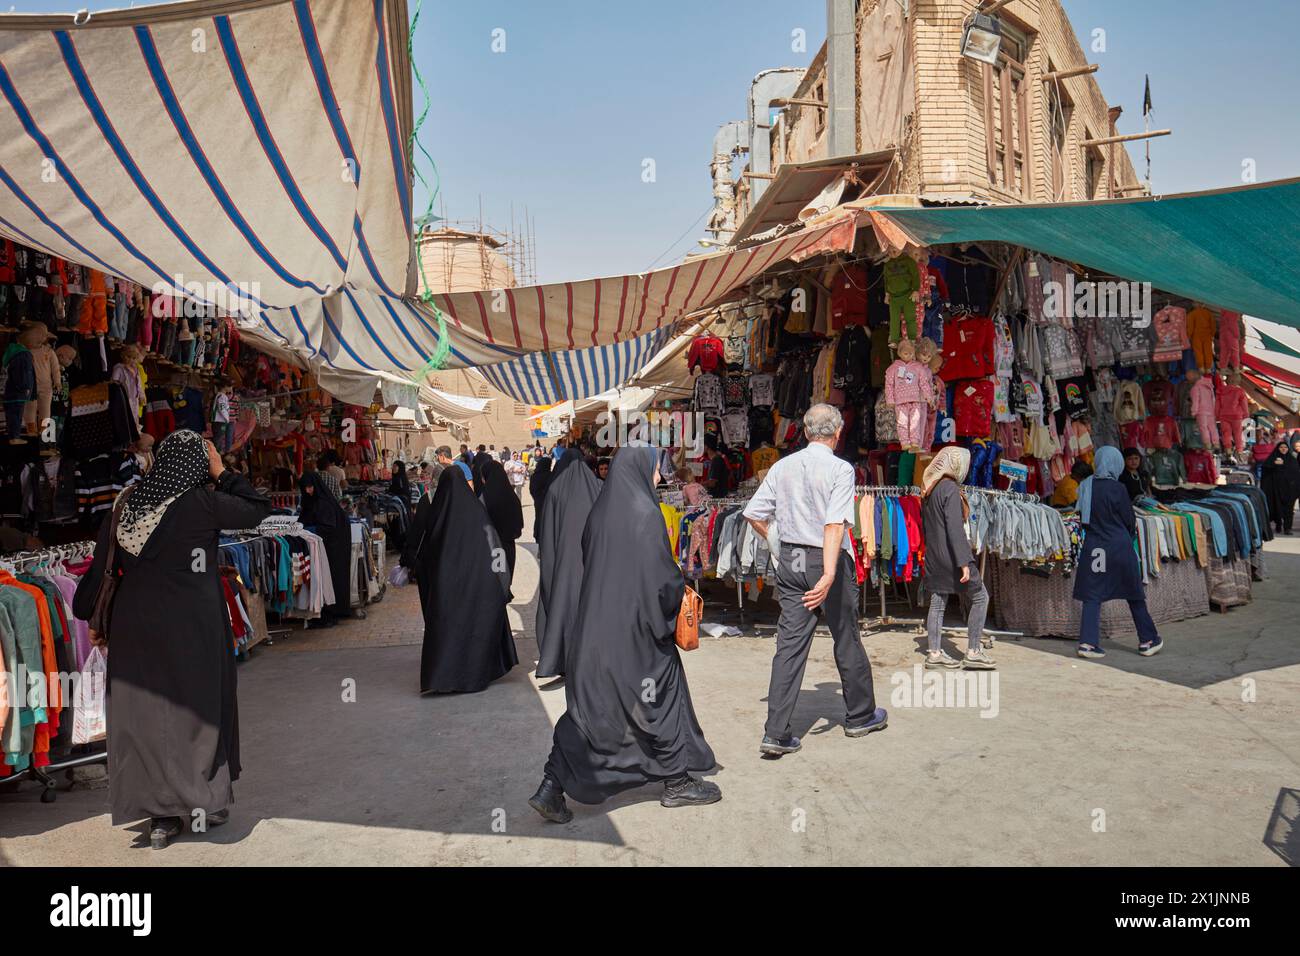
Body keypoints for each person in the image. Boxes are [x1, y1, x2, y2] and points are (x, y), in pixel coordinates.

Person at [71, 430, 271, 849]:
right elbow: (257, 509)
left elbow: (100, 568)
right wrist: (222, 471)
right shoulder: (200, 503)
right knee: (198, 710)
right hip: (192, 625)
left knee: (144, 715)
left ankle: (160, 818)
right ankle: (202, 801)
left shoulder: (126, 504)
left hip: (135, 626)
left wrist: (96, 617)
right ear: (198, 463)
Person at [529, 446, 719, 822]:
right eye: (654, 471)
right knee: (660, 699)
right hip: (637, 634)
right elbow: (660, 581)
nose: (659, 478)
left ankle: (551, 787)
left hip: (593, 634)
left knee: (590, 712)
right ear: (638, 471)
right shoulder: (646, 515)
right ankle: (677, 783)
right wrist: (676, 595)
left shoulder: (600, 511)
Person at [743, 404, 887, 756]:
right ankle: (860, 715)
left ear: (806, 433)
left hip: (791, 558)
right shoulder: (840, 469)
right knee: (846, 636)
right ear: (838, 434)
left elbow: (753, 514)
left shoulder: (782, 466)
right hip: (826, 559)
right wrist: (828, 572)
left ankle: (775, 733)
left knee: (789, 644)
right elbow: (834, 524)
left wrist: (777, 545)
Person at [400, 469, 517, 694]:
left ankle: (444, 677)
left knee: (449, 632)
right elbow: (494, 548)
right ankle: (473, 675)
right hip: (477, 585)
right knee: (474, 630)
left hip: (446, 587)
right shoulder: (477, 511)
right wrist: (502, 585)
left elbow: (427, 550)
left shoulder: (437, 513)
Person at [1073, 446, 1163, 660]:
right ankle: (1148, 640)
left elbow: (1082, 519)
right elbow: (1129, 521)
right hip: (1119, 547)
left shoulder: (1086, 486)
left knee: (1092, 595)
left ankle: (1087, 643)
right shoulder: (1119, 488)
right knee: (1133, 593)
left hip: (1095, 547)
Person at [919, 447, 995, 670]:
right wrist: (964, 562)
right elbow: (955, 528)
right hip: (953, 556)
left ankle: (934, 653)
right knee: (981, 597)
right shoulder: (950, 489)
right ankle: (973, 651)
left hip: (934, 555)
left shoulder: (930, 489)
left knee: (938, 603)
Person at [534, 449, 602, 678]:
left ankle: (562, 660)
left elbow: (547, 533)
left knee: (563, 609)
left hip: (562, 564)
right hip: (591, 562)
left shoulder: (555, 490)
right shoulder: (596, 487)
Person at [299, 469, 355, 626]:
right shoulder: (313, 501)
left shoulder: (323, 503)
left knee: (332, 578)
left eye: (310, 487)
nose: (308, 491)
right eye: (305, 488)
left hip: (333, 547)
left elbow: (328, 527)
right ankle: (327, 612)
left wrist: (310, 530)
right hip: (325, 546)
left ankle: (332, 612)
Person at [478, 459, 524, 588]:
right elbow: (519, 525)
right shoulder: (512, 496)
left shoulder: (484, 498)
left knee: (495, 584)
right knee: (505, 582)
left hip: (493, 548)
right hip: (508, 546)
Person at [1261, 437, 1298, 535]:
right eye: (1281, 447)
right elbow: (1265, 469)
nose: (1283, 449)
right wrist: (1274, 464)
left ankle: (1287, 528)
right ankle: (1278, 524)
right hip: (1275, 489)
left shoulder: (1292, 460)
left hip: (1289, 490)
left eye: (1285, 447)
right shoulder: (1272, 458)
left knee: (1289, 509)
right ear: (1278, 449)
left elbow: (1296, 473)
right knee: (1277, 507)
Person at [528, 456, 553, 540]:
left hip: (538, 502)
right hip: (549, 502)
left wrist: (537, 498)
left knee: (539, 518)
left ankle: (538, 537)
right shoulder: (551, 475)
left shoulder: (534, 476)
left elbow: (531, 490)